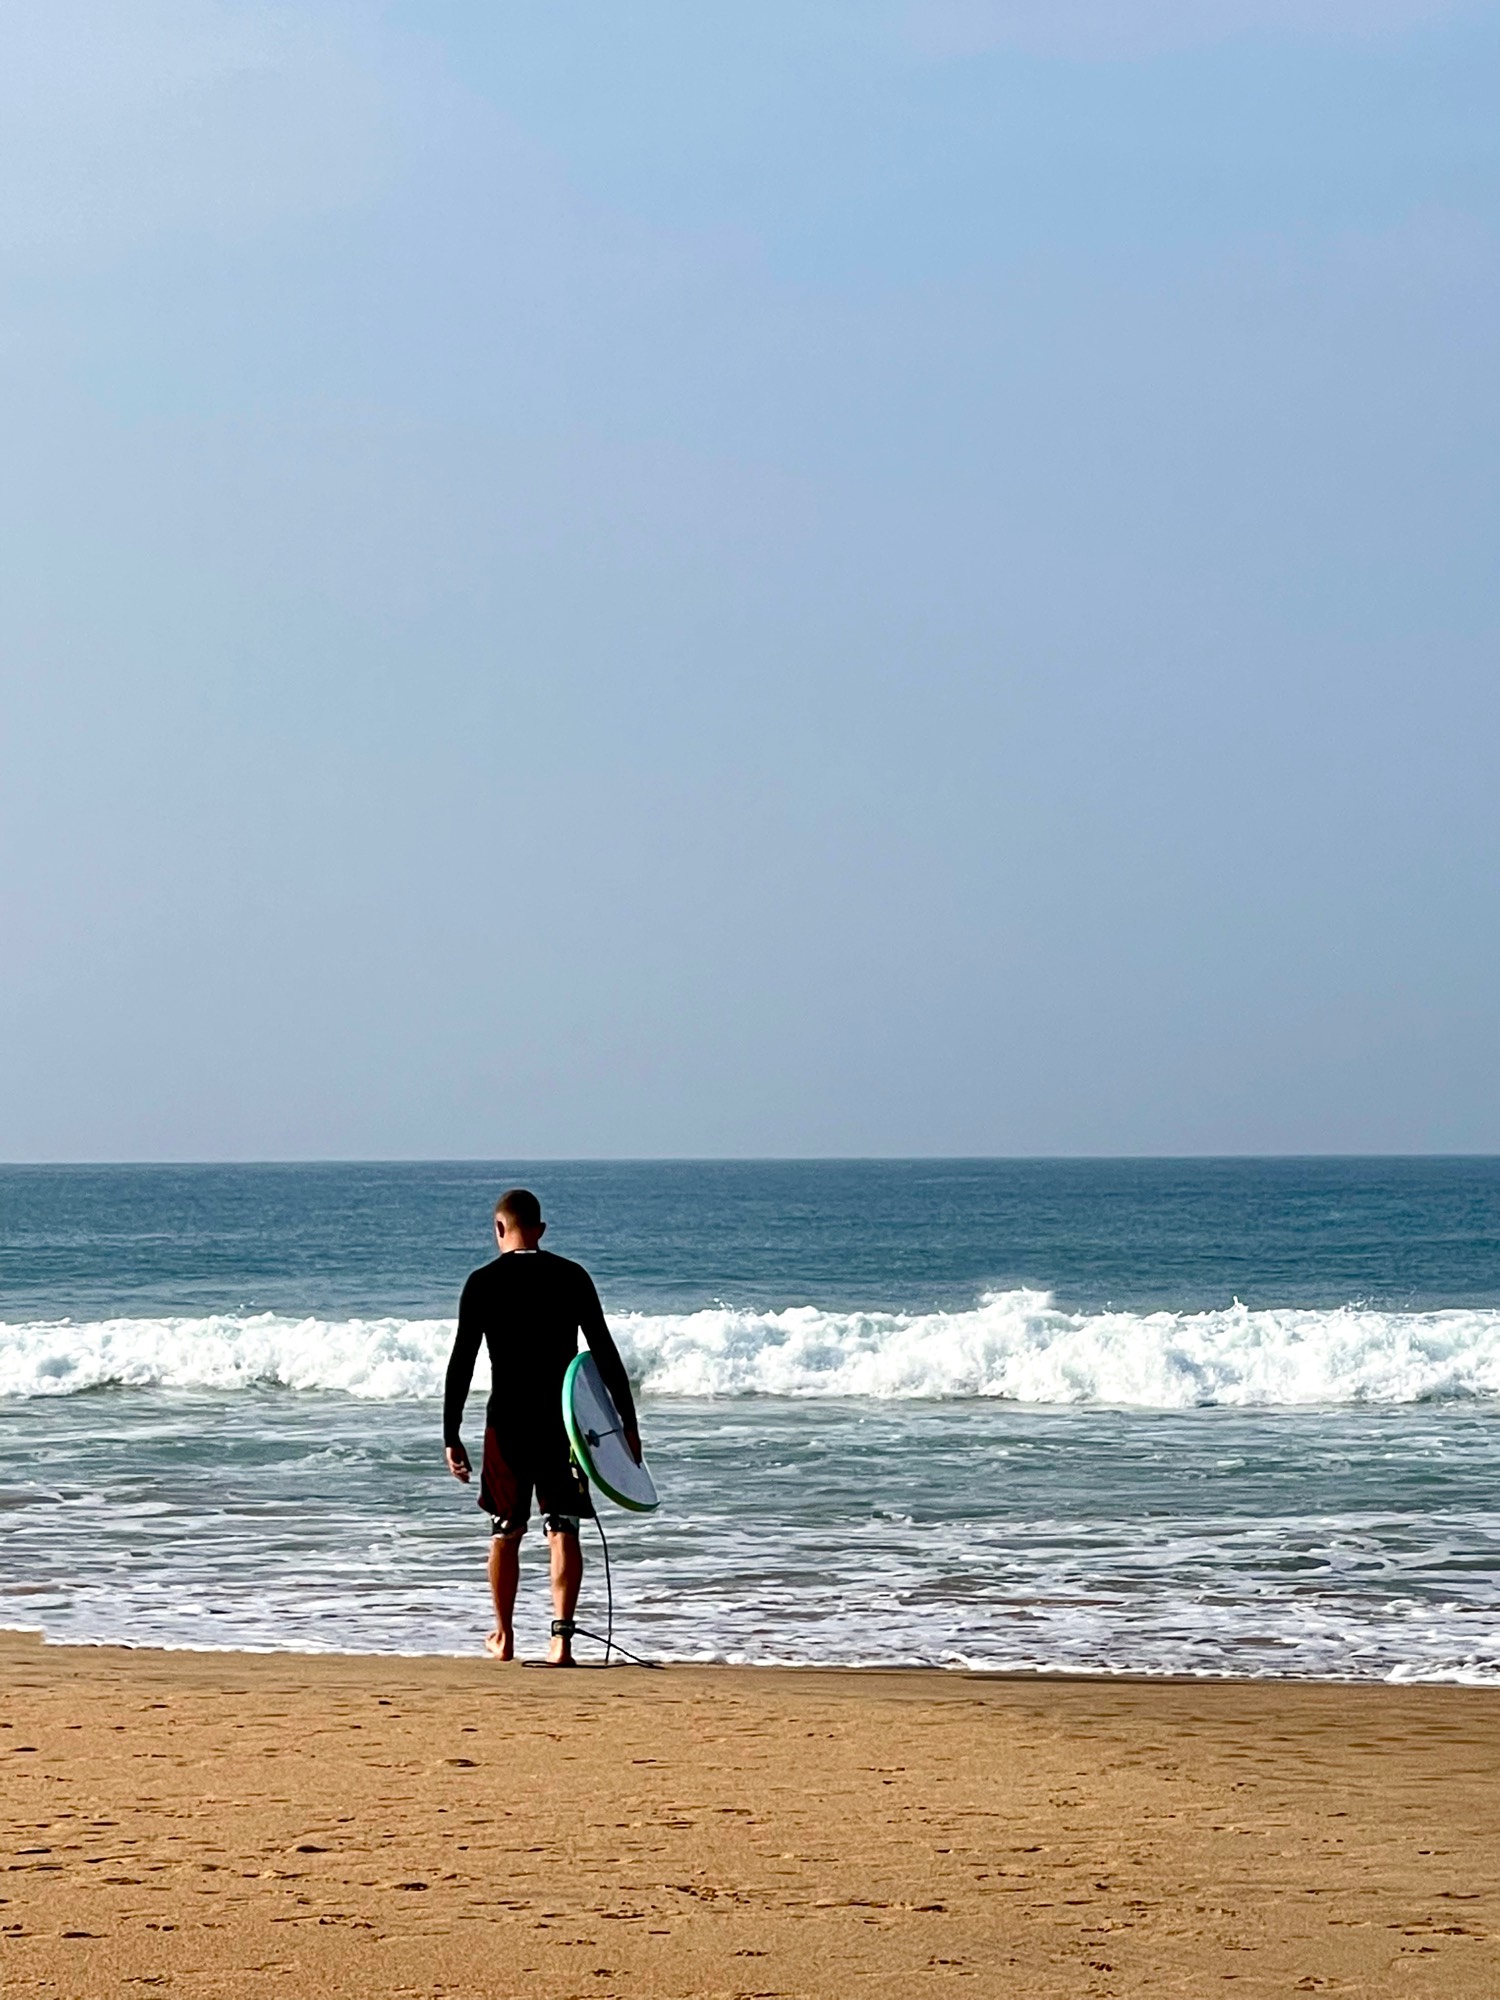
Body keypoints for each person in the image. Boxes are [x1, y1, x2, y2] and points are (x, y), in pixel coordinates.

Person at [443, 1188, 640, 1666]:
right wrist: (626, 1424)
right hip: (565, 1423)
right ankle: (561, 1642)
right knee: (563, 1527)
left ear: (498, 1228)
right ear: (542, 1229)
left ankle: (504, 1635)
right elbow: (604, 1355)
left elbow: (462, 1363)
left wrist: (451, 1434)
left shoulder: (481, 1283)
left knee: (506, 1529)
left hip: (507, 1423)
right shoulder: (571, 1276)